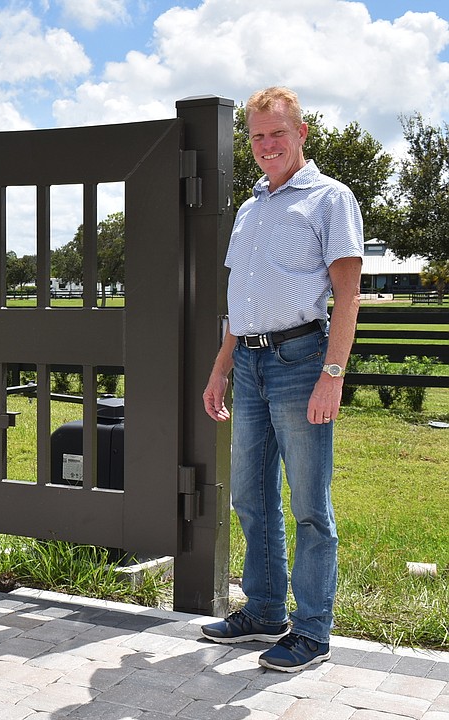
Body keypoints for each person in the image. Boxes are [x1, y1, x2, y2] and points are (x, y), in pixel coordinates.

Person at [200, 86, 363, 672]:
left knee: (309, 505)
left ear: (302, 134)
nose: (267, 145)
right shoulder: (250, 208)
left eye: (279, 133)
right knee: (250, 494)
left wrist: (332, 375)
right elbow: (238, 301)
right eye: (257, 136)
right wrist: (221, 368)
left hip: (301, 362)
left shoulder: (329, 198)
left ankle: (312, 630)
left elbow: (348, 295)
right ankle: (264, 610)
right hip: (248, 362)